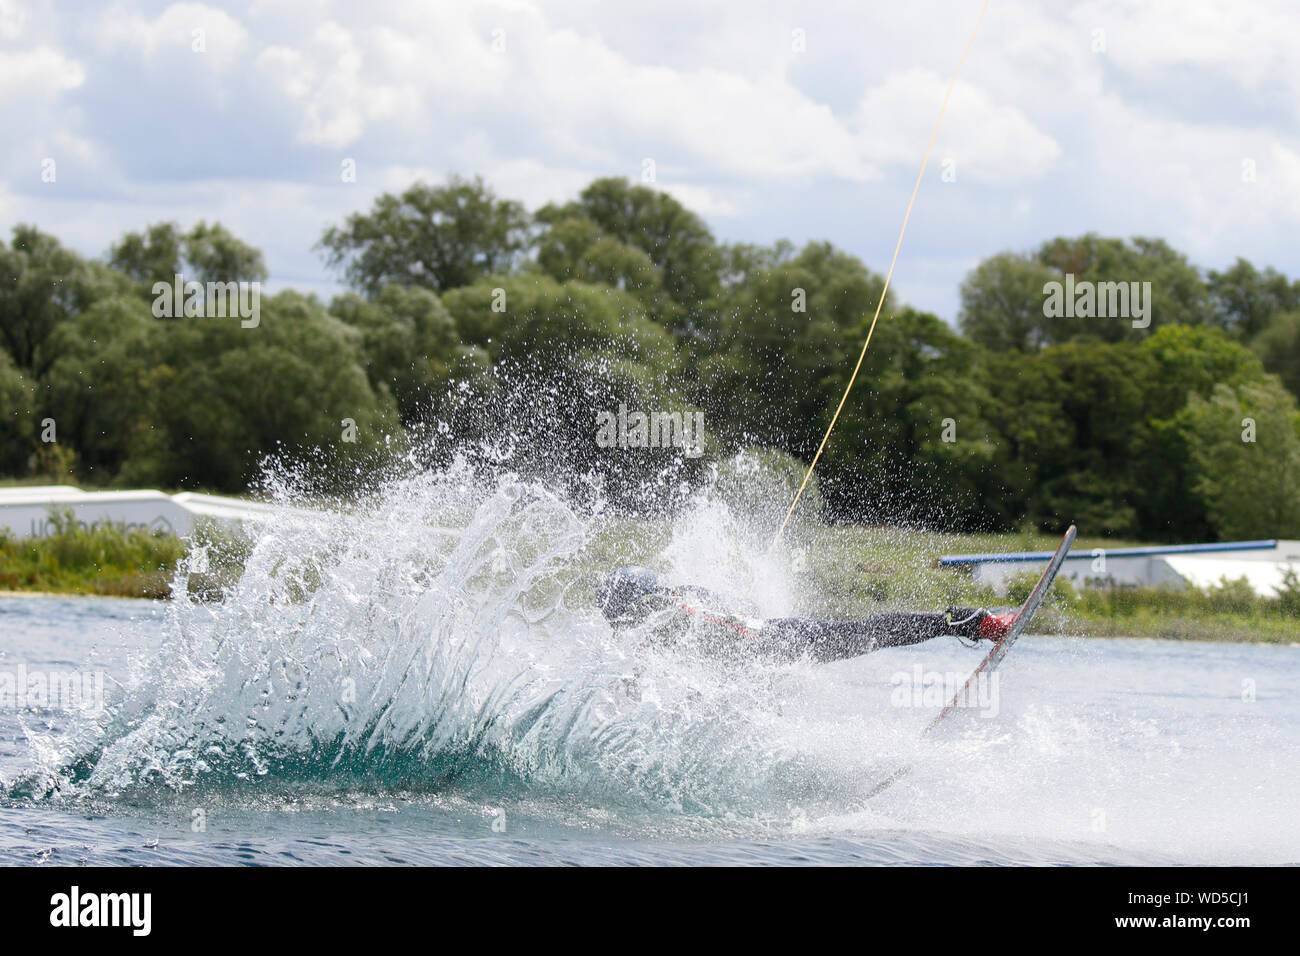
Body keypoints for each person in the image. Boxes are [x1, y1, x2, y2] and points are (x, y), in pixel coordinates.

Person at [596, 566, 1016, 663]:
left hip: (781, 642)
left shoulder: (673, 609)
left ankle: (977, 622)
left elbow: (736, 622)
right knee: (866, 633)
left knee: (867, 633)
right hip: (767, 657)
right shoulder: (666, 608)